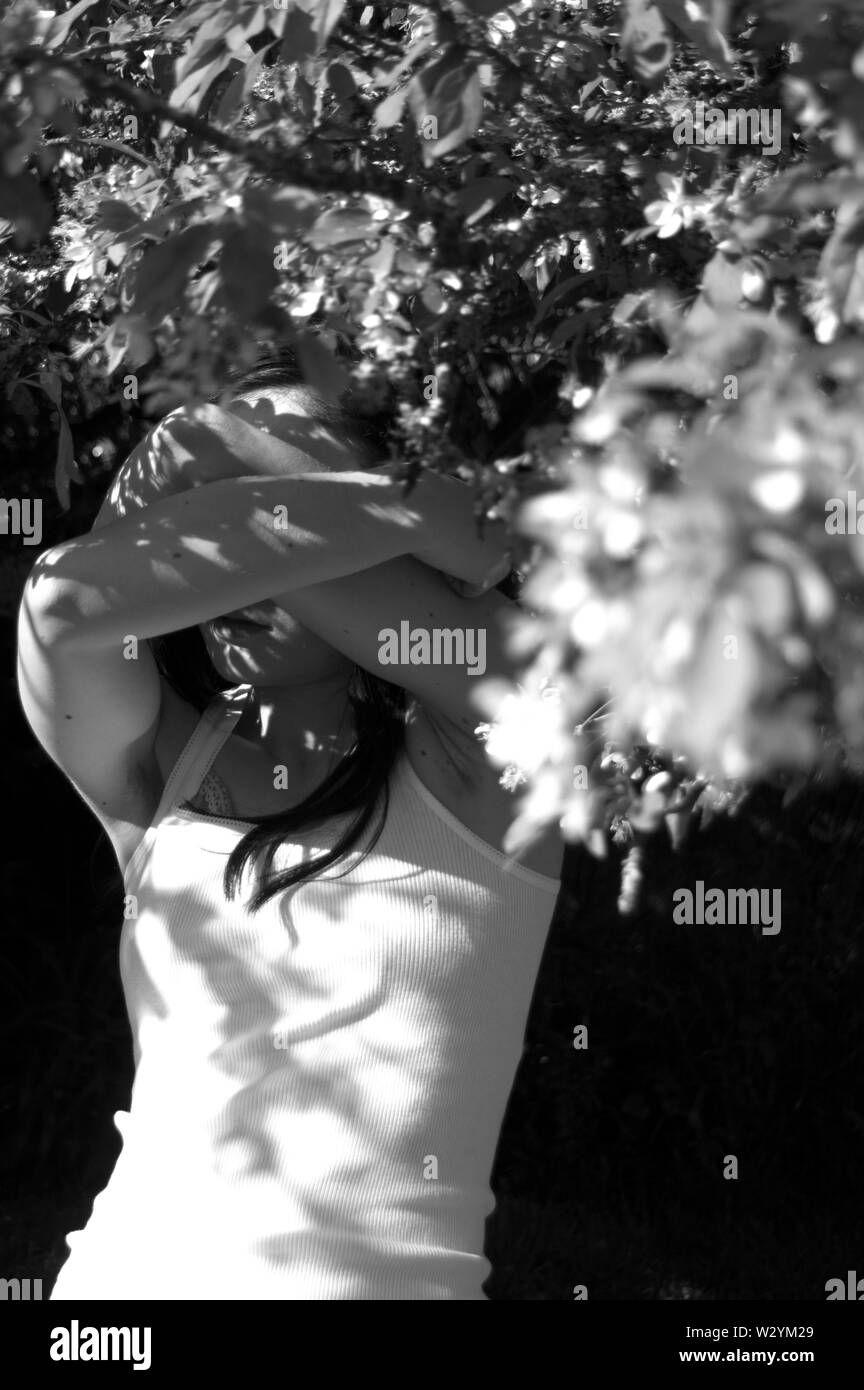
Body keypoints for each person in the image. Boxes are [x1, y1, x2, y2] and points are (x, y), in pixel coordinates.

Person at [17, 353, 563, 1300]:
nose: (251, 554)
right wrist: (402, 509)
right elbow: (60, 606)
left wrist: (204, 479)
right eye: (223, 509)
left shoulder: (497, 760)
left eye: (294, 495)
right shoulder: (163, 776)